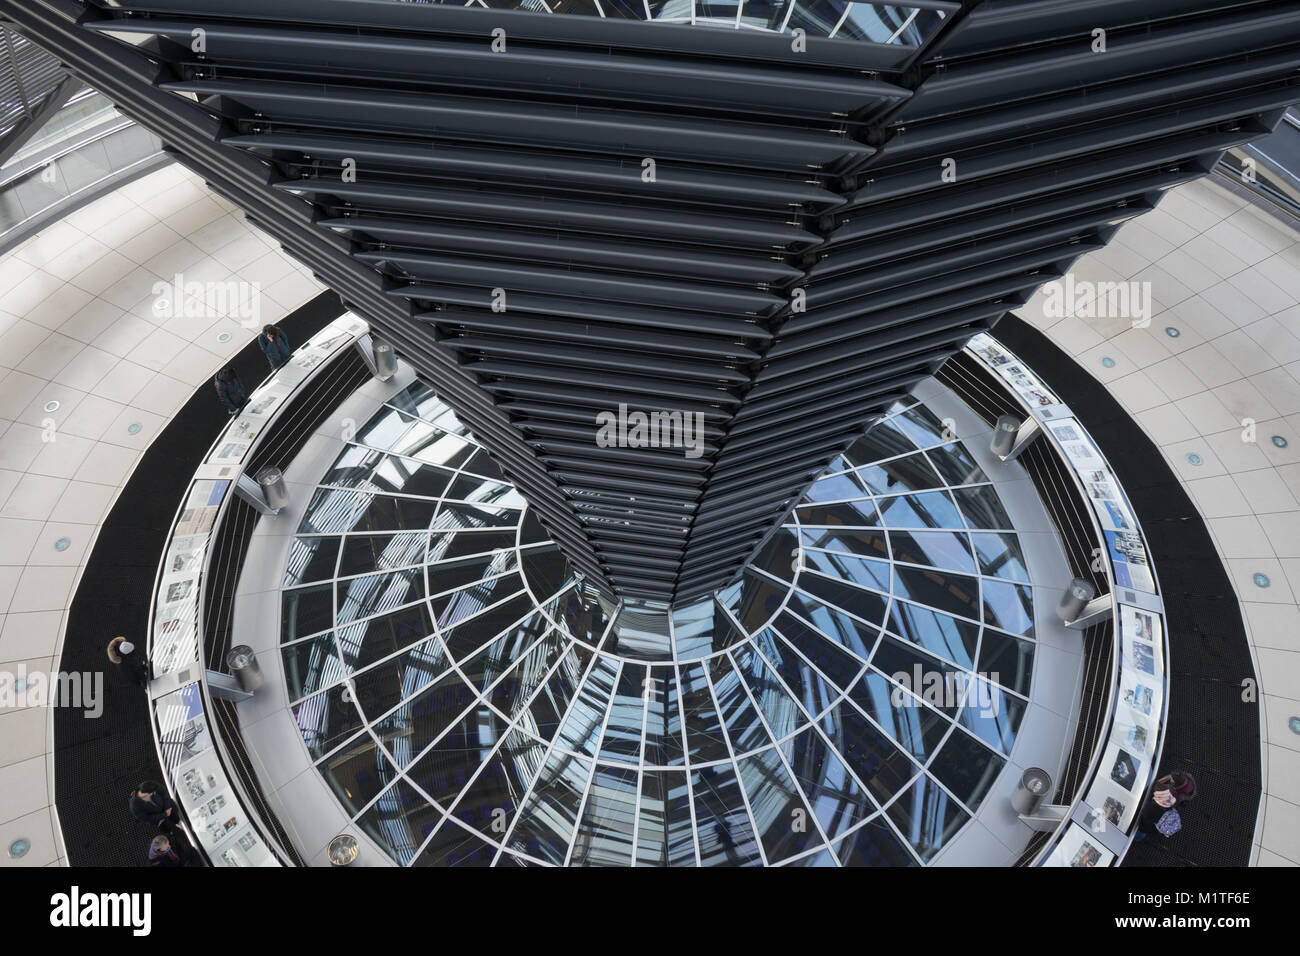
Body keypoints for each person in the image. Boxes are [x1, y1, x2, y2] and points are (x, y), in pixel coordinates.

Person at [1134, 770, 1196, 841]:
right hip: (1157, 821)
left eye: (1172, 780)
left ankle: (1138, 837)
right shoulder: (1178, 795)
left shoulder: (1167, 794)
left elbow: (1158, 784)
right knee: (1143, 830)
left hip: (1152, 819)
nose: (1170, 780)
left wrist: (1168, 778)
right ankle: (1138, 837)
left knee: (1142, 830)